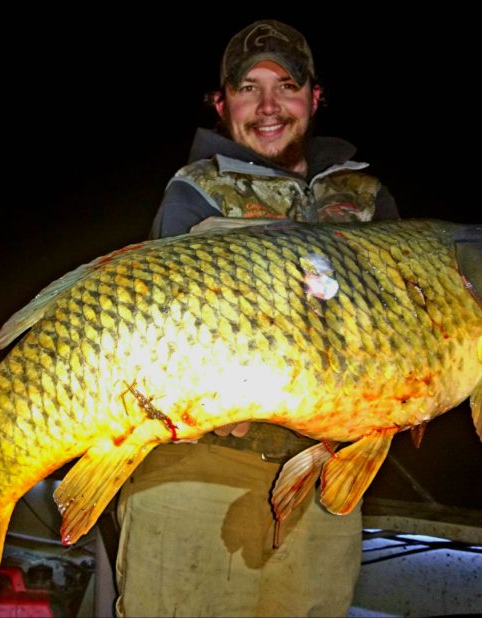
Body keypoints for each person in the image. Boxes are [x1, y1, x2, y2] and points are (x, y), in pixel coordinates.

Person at [113, 19, 398, 617]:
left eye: (286, 86)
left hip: (325, 481)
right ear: (222, 105)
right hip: (198, 473)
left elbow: (400, 325)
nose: (268, 107)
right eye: (248, 88)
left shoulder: (368, 199)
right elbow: (169, 337)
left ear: (314, 97)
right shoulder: (195, 194)